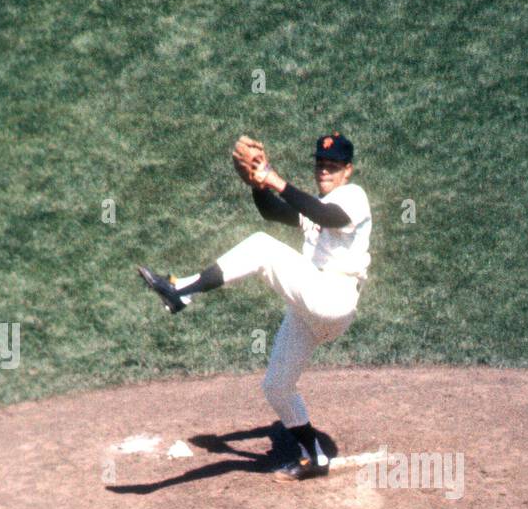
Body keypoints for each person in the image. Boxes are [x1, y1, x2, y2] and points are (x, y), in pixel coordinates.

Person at [137, 131, 371, 480]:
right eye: (320, 165)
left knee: (262, 248)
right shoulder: (313, 206)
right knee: (276, 386)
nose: (325, 171)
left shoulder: (353, 198)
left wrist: (273, 177)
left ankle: (183, 290)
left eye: (333, 166)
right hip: (310, 306)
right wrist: (256, 184)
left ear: (347, 170)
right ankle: (315, 455)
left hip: (334, 298)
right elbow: (273, 212)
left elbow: (327, 215)